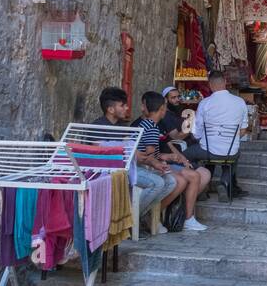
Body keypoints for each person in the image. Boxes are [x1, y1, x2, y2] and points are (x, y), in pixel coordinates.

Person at [92, 86, 180, 233]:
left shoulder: (122, 127)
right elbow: (99, 152)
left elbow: (136, 153)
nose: (127, 108)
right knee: (157, 183)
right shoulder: (98, 126)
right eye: (122, 105)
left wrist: (155, 163)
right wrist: (131, 153)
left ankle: (139, 215)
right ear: (110, 109)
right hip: (111, 171)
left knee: (170, 180)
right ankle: (129, 221)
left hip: (129, 167)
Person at [136, 91, 209, 232]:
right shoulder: (151, 127)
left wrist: (169, 157)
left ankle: (165, 216)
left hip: (155, 163)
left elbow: (155, 151)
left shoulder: (149, 124)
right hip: (149, 167)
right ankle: (151, 215)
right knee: (185, 179)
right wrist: (162, 161)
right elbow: (149, 155)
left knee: (192, 176)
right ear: (162, 109)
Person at [193, 70, 250, 200]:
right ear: (225, 82)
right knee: (233, 155)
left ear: (210, 85)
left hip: (207, 150)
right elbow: (243, 130)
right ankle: (224, 182)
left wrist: (204, 140)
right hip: (230, 151)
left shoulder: (204, 103)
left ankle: (201, 185)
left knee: (185, 155)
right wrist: (228, 140)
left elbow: (197, 132)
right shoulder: (240, 102)